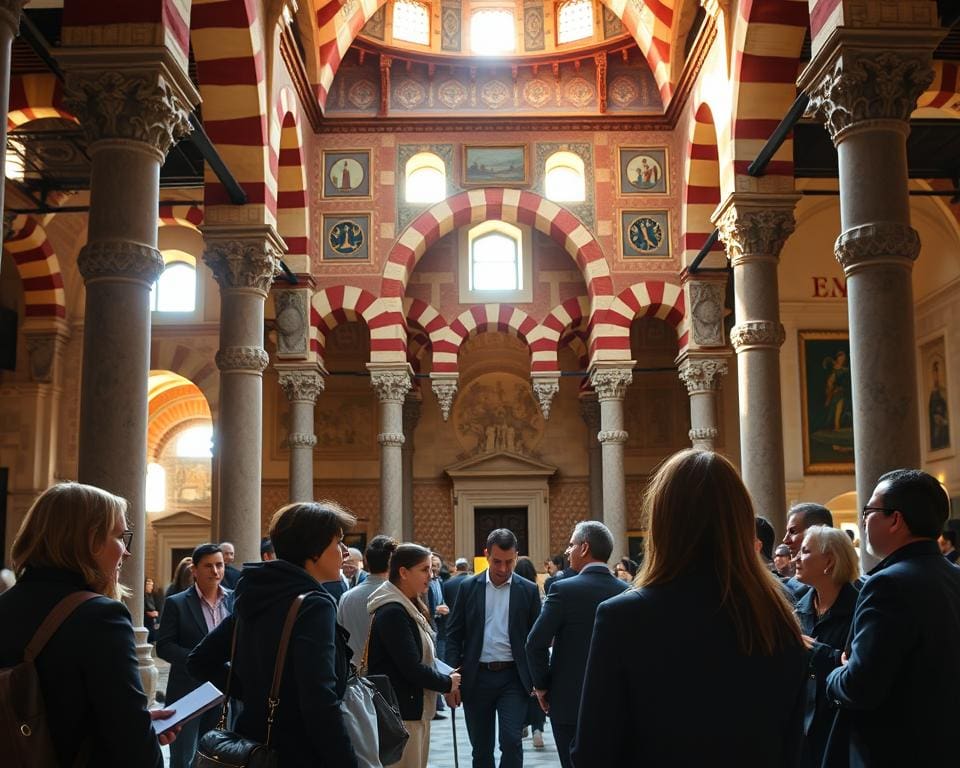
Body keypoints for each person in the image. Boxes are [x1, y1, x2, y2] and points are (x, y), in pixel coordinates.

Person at [572, 450, 805, 766]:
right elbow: (791, 747)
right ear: (740, 522)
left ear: (662, 523)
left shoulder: (623, 618)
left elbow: (593, 752)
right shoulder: (778, 616)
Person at [0, 482, 179, 766]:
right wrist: (140, 731)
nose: (126, 552)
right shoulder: (101, 616)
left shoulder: (5, 604)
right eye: (119, 537)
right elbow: (132, 746)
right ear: (89, 540)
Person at [188, 501, 359, 767]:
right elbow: (320, 700)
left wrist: (258, 695)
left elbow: (200, 661)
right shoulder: (314, 604)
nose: (345, 552)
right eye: (338, 542)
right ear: (314, 551)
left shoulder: (258, 592)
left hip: (254, 745)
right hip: (299, 752)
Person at [825, 469, 960, 767]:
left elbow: (860, 687)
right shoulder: (955, 576)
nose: (863, 521)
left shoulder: (887, 584)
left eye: (868, 511)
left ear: (895, 520)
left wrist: (834, 674)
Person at [527, 521, 629, 768]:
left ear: (584, 548)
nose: (567, 551)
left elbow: (535, 643)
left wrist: (542, 686)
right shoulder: (628, 591)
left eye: (571, 545)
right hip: (617, 703)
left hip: (569, 702)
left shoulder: (563, 590)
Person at [444, 528, 542, 768]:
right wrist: (450, 679)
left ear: (516, 556)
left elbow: (536, 640)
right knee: (481, 749)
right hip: (477, 677)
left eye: (509, 561)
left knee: (512, 741)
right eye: (497, 561)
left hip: (514, 678)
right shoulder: (468, 587)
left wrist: (540, 679)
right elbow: (454, 635)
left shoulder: (528, 590)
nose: (503, 568)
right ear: (486, 555)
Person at [367, 544, 461, 768]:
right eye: (424, 569)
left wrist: (446, 676)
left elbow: (420, 656)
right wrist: (446, 683)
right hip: (402, 712)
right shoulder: (393, 611)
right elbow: (410, 667)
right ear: (403, 572)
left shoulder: (407, 606)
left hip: (412, 709)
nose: (431, 575)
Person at [157, 542, 234, 768]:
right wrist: (200, 659)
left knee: (217, 757)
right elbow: (165, 646)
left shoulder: (234, 600)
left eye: (219, 565)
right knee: (183, 758)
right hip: (187, 691)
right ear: (194, 570)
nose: (215, 571)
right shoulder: (177, 603)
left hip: (224, 691)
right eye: (208, 566)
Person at [792, 525, 860, 768]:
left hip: (840, 731)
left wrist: (817, 651)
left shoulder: (861, 608)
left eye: (805, 551)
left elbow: (857, 668)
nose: (796, 558)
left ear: (829, 562)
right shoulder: (797, 608)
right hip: (800, 734)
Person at [338, 534, 397, 661]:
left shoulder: (346, 597)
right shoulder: (396, 596)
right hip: (385, 670)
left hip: (353, 668)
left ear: (365, 561)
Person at [512, 556, 545, 748]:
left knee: (520, 691)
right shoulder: (536, 591)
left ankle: (523, 723)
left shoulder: (514, 592)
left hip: (515, 652)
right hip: (532, 650)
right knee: (536, 689)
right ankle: (537, 729)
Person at [782, 503, 834, 599]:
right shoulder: (787, 589)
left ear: (819, 531)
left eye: (793, 531)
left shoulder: (858, 594)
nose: (785, 540)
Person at [144, 576, 160, 643]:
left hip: (153, 622)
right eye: (150, 585)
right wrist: (149, 613)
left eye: (152, 585)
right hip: (146, 622)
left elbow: (156, 608)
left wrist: (156, 613)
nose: (151, 587)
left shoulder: (152, 596)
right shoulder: (143, 596)